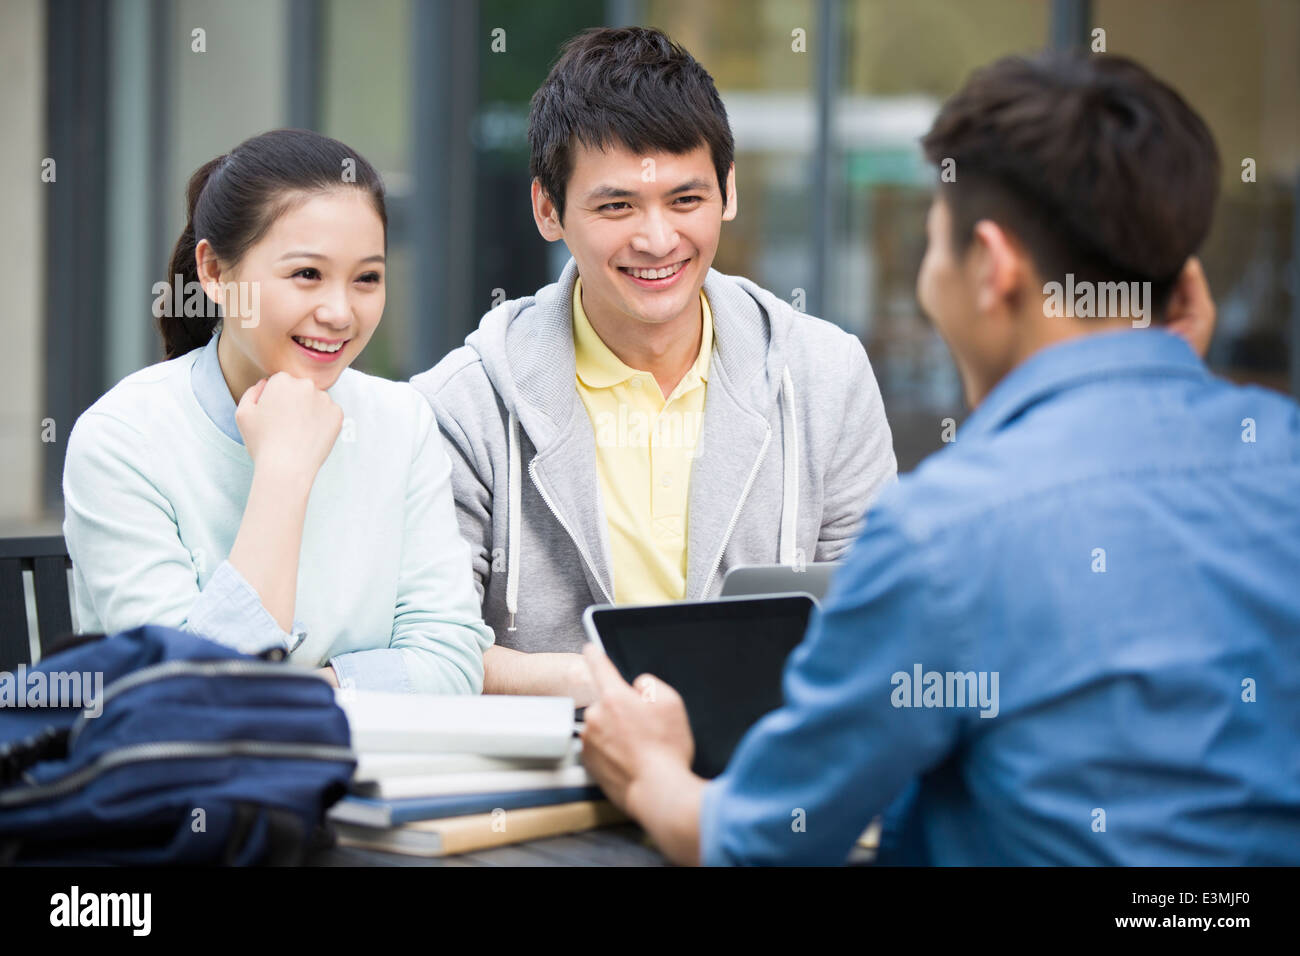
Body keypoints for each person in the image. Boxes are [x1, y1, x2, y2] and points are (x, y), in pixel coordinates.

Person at [578, 51, 1300, 865]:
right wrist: (1159, 378)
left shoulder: (945, 533)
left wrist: (653, 771)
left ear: (991, 266)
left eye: (931, 243)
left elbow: (758, 844)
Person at [410, 27, 897, 704]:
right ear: (547, 209)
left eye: (685, 200)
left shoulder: (825, 377)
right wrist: (622, 686)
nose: (659, 239)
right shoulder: (461, 407)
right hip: (550, 790)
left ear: (727, 191)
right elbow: (433, 652)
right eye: (617, 206)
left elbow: (878, 624)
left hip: (759, 781)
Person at [63, 129, 492, 694]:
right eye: (306, 274)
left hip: (378, 772)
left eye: (367, 278)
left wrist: (297, 694)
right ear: (214, 274)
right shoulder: (121, 439)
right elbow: (191, 697)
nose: (340, 313)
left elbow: (451, 661)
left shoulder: (401, 420)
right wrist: (283, 474)